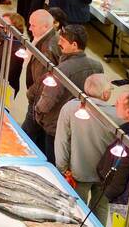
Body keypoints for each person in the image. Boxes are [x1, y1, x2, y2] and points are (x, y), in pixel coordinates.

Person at [33, 24, 102, 165]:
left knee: (50, 162)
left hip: (54, 126)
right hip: (79, 126)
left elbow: (48, 99)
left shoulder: (62, 69)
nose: (59, 43)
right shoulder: (97, 66)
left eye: (63, 41)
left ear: (74, 45)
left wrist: (38, 112)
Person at [55, 73, 119, 210]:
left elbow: (62, 141)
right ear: (106, 94)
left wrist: (63, 168)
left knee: (76, 210)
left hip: (78, 172)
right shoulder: (118, 116)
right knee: (100, 210)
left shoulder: (70, 108)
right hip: (106, 175)